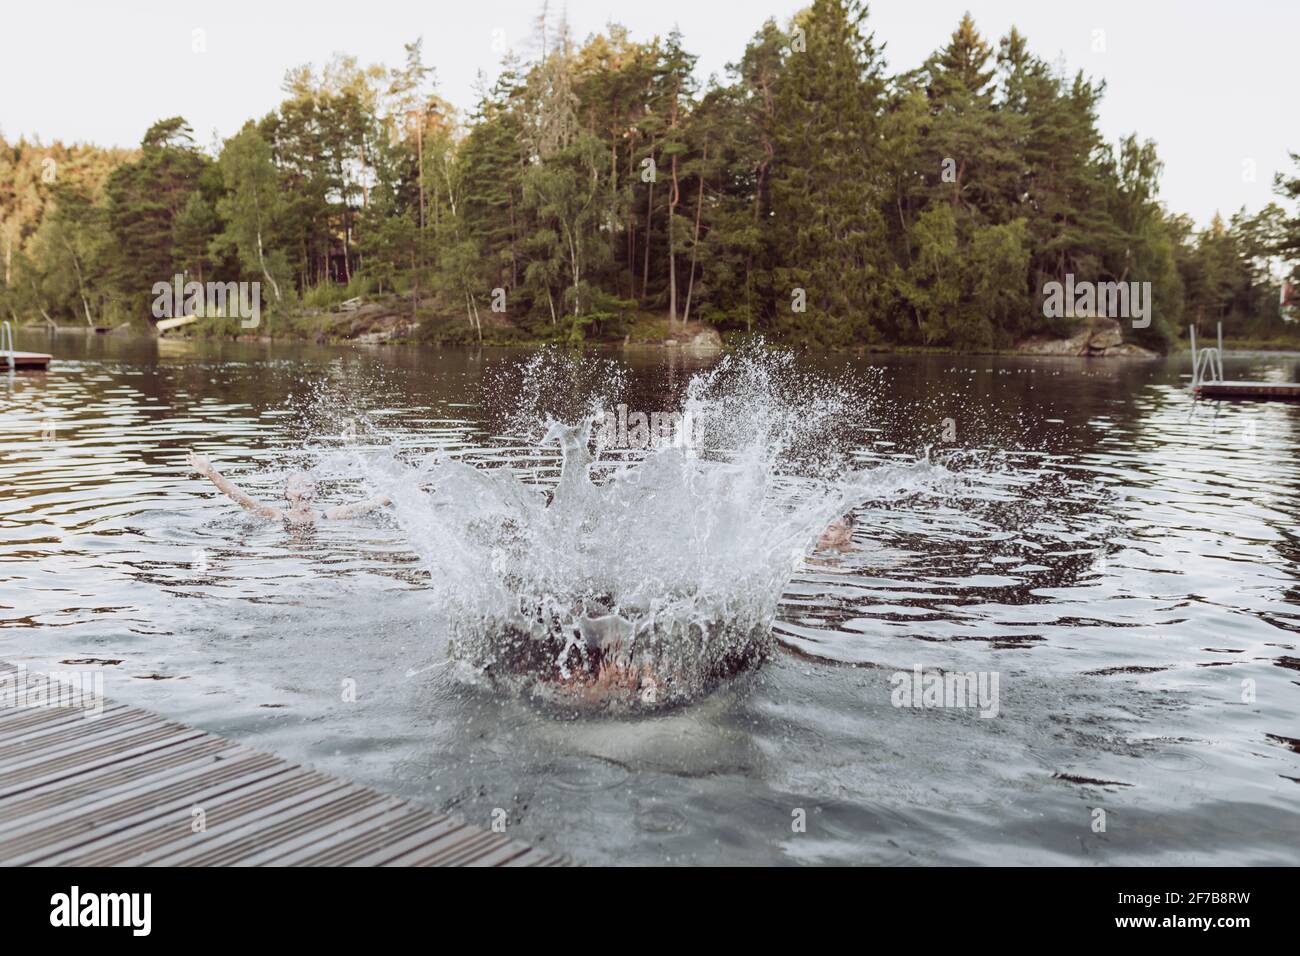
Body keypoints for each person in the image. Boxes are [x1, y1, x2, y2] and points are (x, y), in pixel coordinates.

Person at [186, 451, 391, 525]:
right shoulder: (276, 515)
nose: (304, 490)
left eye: (309, 485)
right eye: (298, 486)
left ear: (315, 492)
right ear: (287, 493)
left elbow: (366, 505)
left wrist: (402, 490)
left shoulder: (328, 515)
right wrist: (211, 472)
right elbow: (240, 498)